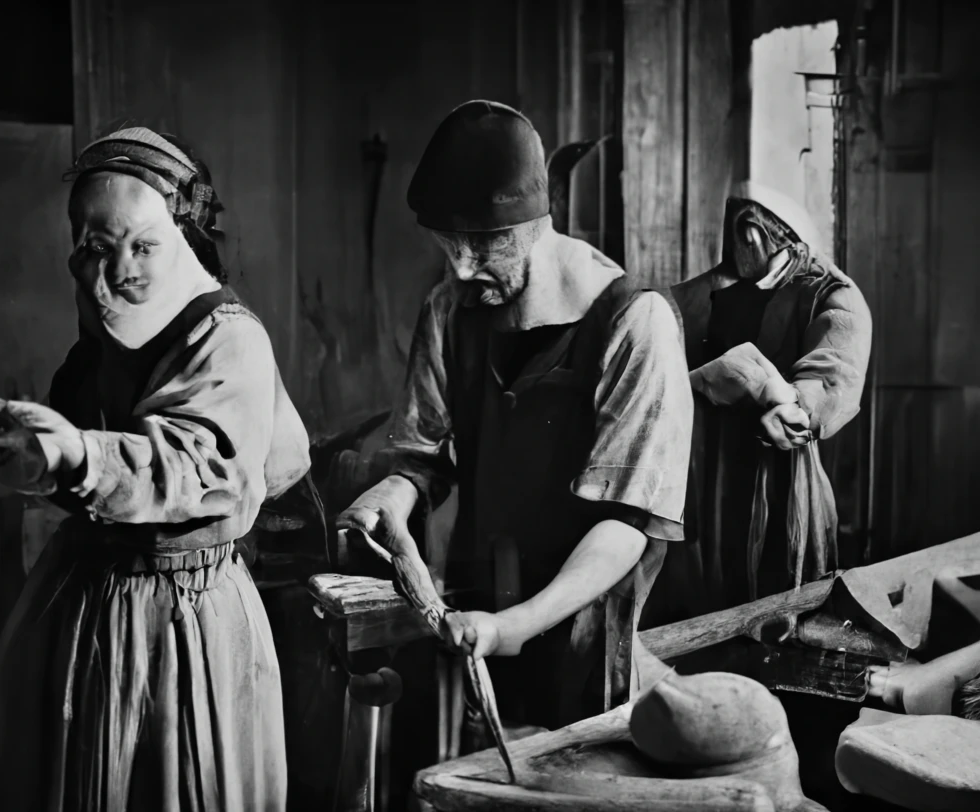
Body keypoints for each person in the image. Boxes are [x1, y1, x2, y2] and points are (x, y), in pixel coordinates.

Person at [0, 127, 310, 812]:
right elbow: (84, 477)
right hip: (85, 607)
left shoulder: (229, 340)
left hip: (185, 622)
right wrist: (29, 460)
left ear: (184, 236)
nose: (117, 270)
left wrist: (78, 454)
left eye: (143, 245)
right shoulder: (93, 352)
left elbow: (193, 466)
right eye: (93, 247)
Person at [339, 100, 692, 732]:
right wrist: (387, 497)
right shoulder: (450, 309)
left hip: (585, 633)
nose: (463, 267)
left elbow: (628, 522)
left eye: (485, 243)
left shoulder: (636, 324)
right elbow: (419, 455)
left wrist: (516, 627)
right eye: (450, 244)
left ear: (539, 217)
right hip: (472, 611)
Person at [668, 182, 872, 613]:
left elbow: (834, 367)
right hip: (705, 457)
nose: (743, 243)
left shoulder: (829, 292)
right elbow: (666, 326)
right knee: (704, 577)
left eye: (749, 231)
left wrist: (796, 404)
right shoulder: (709, 289)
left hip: (777, 461)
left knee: (775, 581)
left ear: (763, 232)